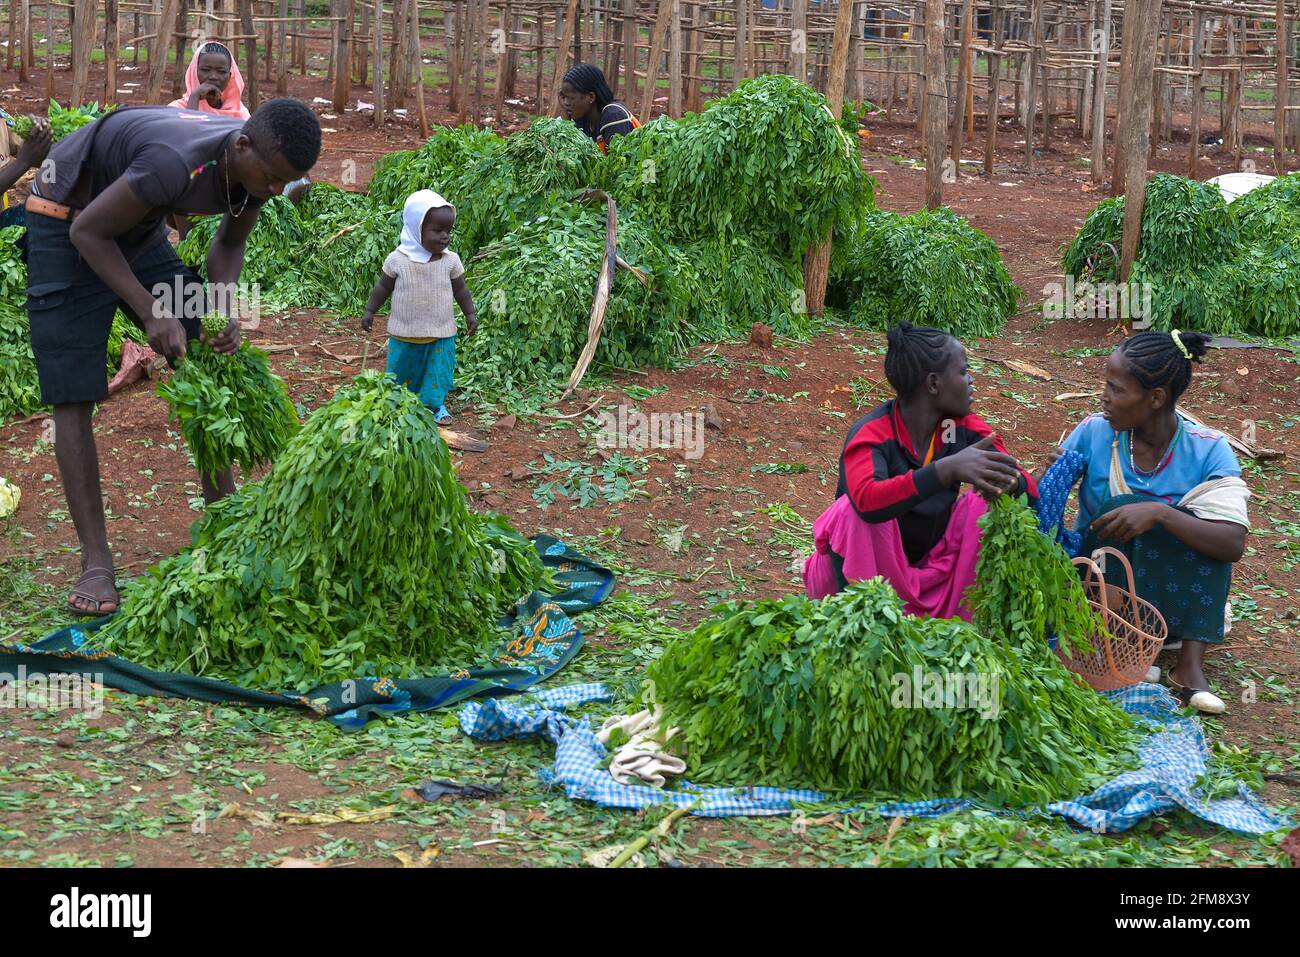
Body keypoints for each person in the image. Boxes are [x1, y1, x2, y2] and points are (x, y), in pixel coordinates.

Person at [24, 98, 321, 616]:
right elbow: (87, 233)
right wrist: (148, 310)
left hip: (135, 224)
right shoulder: (175, 163)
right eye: (273, 179)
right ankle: (96, 562)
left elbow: (227, 246)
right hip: (66, 220)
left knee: (200, 348)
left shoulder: (256, 171)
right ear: (243, 145)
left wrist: (221, 308)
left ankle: (224, 516)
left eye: (285, 183)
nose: (276, 190)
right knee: (73, 395)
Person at [1045, 330, 1248, 714]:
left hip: (1173, 596)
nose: (1105, 397)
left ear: (1155, 399)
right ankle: (1127, 645)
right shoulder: (1094, 433)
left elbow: (1232, 543)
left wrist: (1160, 513)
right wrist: (1044, 478)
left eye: (1116, 389)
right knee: (1123, 505)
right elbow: (1048, 500)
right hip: (1106, 588)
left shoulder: (1208, 449)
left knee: (1207, 523)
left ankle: (1188, 666)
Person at [803, 322, 1038, 619]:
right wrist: (945, 470)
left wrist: (1009, 484)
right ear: (933, 384)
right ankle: (855, 626)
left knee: (983, 505)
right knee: (849, 512)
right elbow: (866, 501)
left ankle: (957, 625)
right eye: (964, 372)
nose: (971, 381)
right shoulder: (873, 433)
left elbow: (1027, 485)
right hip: (860, 580)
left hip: (929, 577)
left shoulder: (957, 428)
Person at [361, 190, 477, 424]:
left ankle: (435, 406)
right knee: (402, 371)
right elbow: (382, 288)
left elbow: (461, 290)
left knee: (435, 373)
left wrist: (470, 314)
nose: (445, 236)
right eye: (437, 231)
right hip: (405, 332)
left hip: (440, 333)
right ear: (416, 228)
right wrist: (370, 310)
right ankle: (399, 403)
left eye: (448, 231)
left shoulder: (450, 261)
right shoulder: (398, 260)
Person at [558, 63, 639, 153]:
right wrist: (566, 121)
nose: (565, 103)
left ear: (591, 97)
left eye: (571, 98)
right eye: (564, 97)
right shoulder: (583, 119)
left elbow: (619, 164)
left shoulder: (614, 116)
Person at [168, 41, 251, 120]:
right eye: (205, 70)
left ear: (229, 77)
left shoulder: (240, 113)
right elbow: (189, 131)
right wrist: (195, 96)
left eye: (221, 72)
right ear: (194, 72)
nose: (213, 77)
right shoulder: (176, 110)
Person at [1, 116, 52, 229]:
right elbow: (27, 158)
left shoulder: (2, 120)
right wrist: (23, 162)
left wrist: (43, 135)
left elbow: (37, 152)